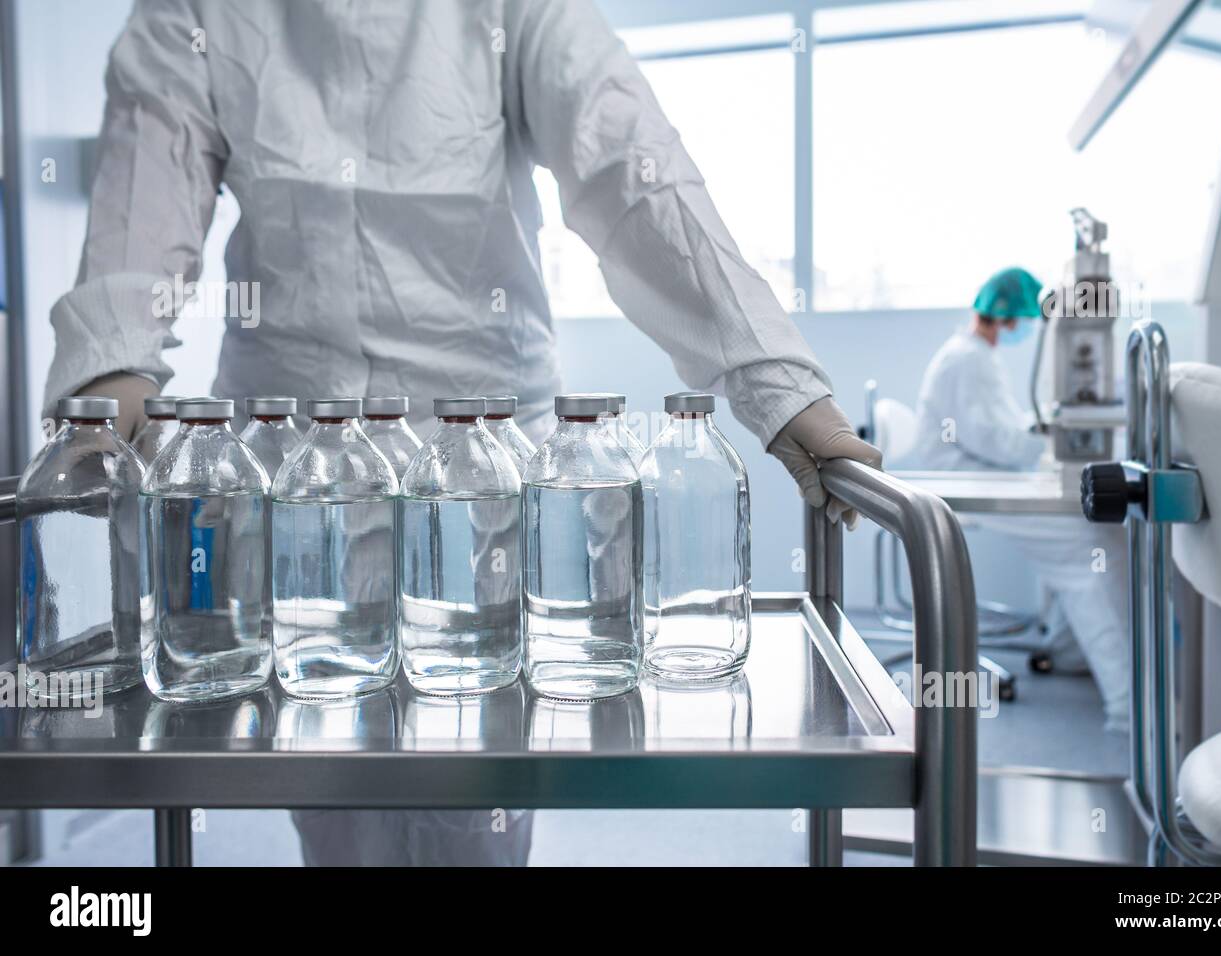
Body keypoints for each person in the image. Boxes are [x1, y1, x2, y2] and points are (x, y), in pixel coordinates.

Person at [45, 0, 881, 864]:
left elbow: (628, 164)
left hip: (486, 470)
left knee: (481, 771)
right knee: (328, 777)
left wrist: (774, 384)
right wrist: (112, 368)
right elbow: (150, 167)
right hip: (294, 470)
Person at [911, 267, 1129, 732]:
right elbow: (994, 439)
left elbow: (997, 433)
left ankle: (1074, 655)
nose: (1029, 328)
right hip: (963, 479)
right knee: (1085, 538)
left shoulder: (973, 355)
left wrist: (1038, 433)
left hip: (978, 471)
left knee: (1089, 534)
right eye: (1026, 319)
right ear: (1009, 318)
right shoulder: (968, 359)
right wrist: (1046, 429)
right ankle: (1128, 709)